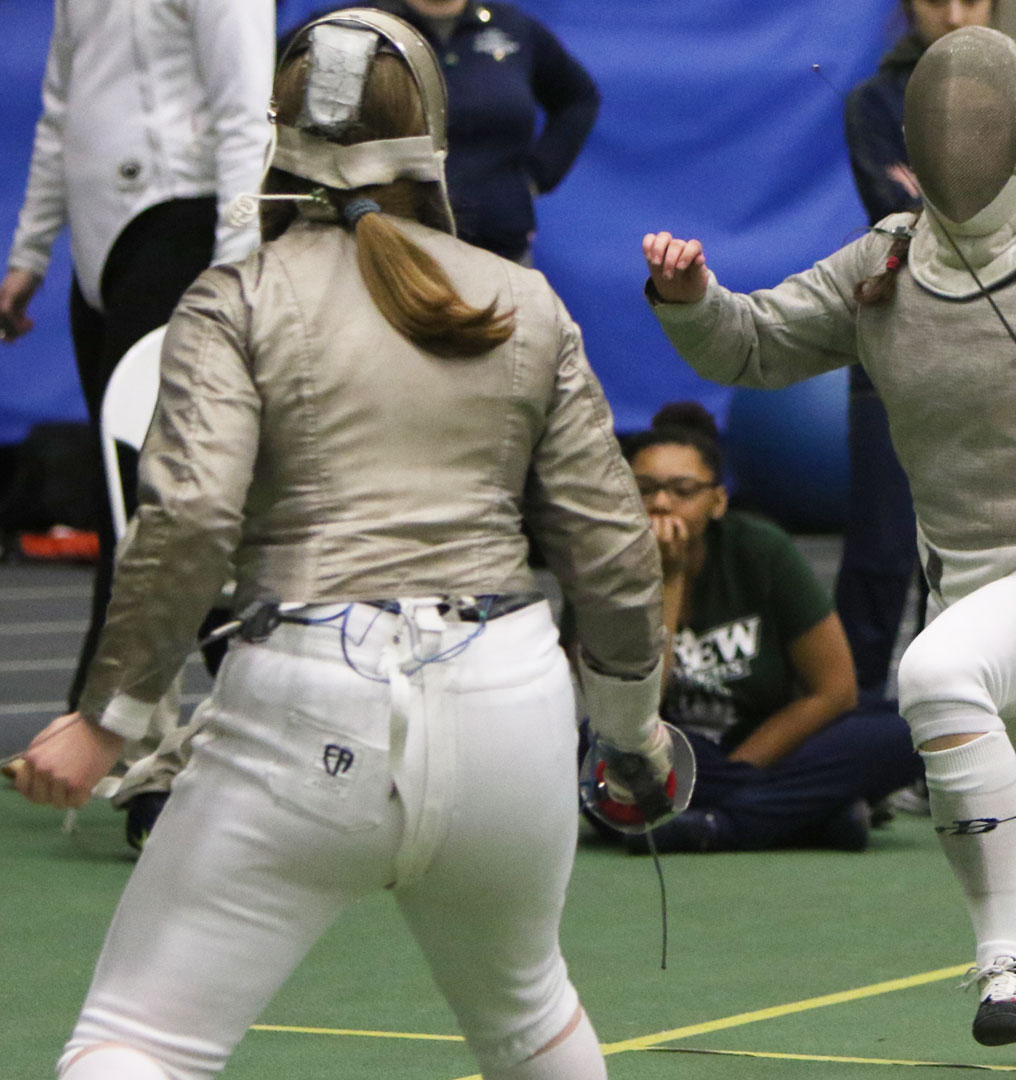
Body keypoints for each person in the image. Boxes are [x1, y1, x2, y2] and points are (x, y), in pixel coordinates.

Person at [6, 12, 673, 1079]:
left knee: (134, 1045)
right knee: (531, 1018)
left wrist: (106, 720)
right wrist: (633, 733)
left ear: (280, 132)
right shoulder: (521, 301)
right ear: (433, 134)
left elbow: (188, 521)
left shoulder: (235, 301)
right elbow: (613, 552)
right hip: (511, 709)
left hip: (306, 714)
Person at [641, 27, 1016, 1068]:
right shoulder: (889, 260)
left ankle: (1001, 966)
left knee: (933, 672)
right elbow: (750, 343)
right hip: (977, 587)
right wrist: (688, 297)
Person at [0, 0, 274, 829]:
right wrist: (29, 254)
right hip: (102, 254)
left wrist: (234, 269)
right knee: (131, 504)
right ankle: (115, 727)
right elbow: (63, 111)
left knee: (180, 501)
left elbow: (245, 107)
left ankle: (166, 738)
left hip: (183, 229)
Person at [592, 403, 923, 854]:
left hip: (765, 742)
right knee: (592, 751)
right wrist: (666, 580)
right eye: (644, 489)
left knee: (905, 725)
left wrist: (743, 767)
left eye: (682, 490)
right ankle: (811, 817)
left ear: (718, 500)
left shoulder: (760, 550)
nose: (661, 503)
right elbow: (634, 706)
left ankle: (714, 824)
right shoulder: (602, 565)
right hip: (664, 749)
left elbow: (835, 690)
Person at [835, 0, 994, 707]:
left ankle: (954, 726)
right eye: (937, 1)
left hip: (994, 355)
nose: (957, 15)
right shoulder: (875, 103)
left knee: (972, 563)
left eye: (974, 0)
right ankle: (854, 725)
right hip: (895, 347)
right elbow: (910, 211)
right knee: (881, 551)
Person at [291, 0, 601, 263]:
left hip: (499, 250)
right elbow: (273, 99)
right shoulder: (349, 28)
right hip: (379, 254)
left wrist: (534, 177)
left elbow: (579, 99)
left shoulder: (511, 29)